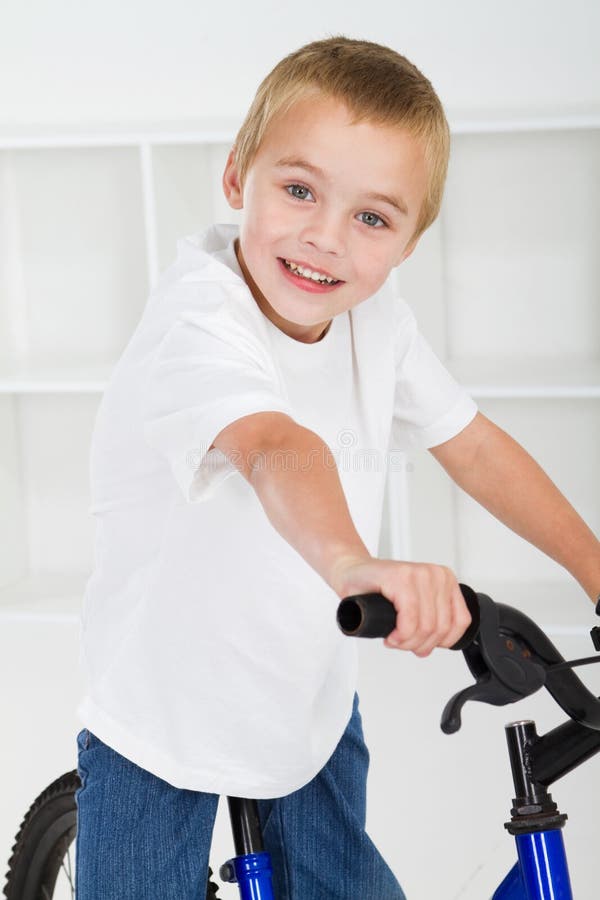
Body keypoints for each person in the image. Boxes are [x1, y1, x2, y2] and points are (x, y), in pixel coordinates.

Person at [74, 35, 600, 899]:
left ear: (407, 244)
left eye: (371, 217)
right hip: (161, 701)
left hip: (301, 689)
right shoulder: (198, 324)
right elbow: (279, 446)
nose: (324, 238)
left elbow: (471, 445)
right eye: (298, 189)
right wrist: (356, 563)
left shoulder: (377, 320)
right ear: (238, 177)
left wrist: (595, 573)